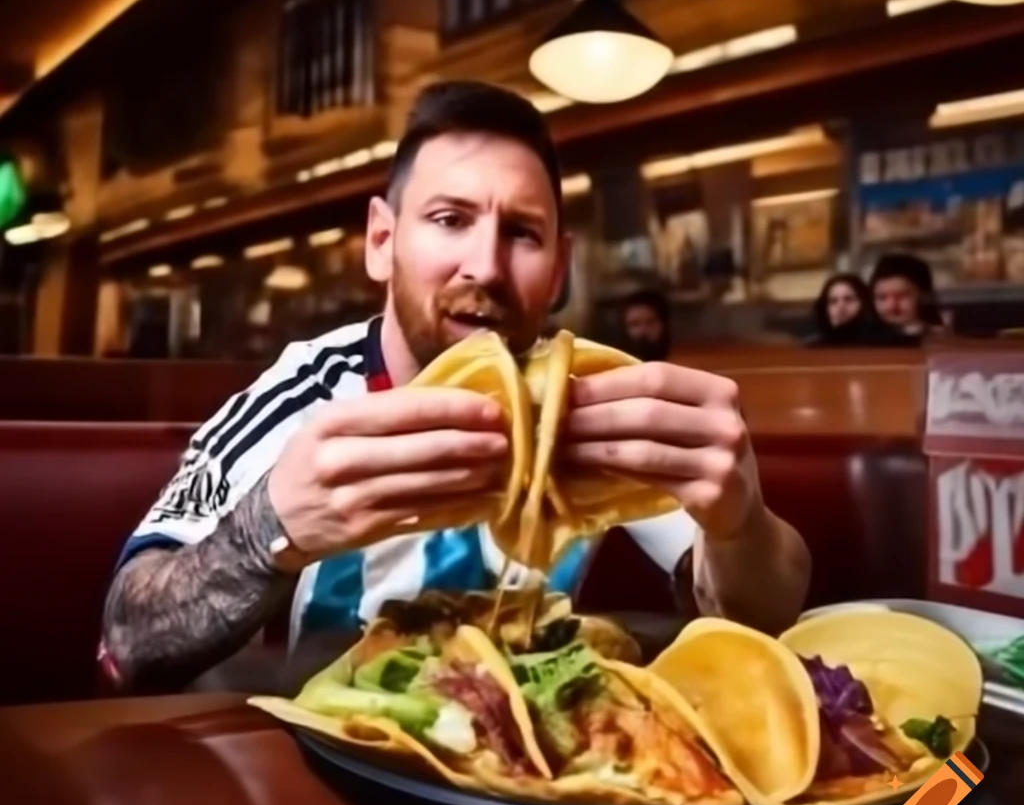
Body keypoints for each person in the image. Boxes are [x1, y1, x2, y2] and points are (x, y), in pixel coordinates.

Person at [100, 81, 812, 692]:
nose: (487, 266)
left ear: (558, 269)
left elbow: (757, 617)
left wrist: (739, 524)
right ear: (383, 242)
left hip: (522, 788)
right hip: (307, 786)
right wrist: (266, 533)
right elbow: (128, 643)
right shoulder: (303, 398)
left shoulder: (589, 399)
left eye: (523, 234)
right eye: (450, 220)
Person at [869, 253, 947, 345]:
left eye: (902, 296)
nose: (891, 306)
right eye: (882, 297)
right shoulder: (864, 337)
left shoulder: (941, 337)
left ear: (924, 296)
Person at [620, 288, 672, 362]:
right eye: (635, 324)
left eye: (651, 322)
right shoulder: (617, 368)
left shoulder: (682, 362)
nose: (643, 331)